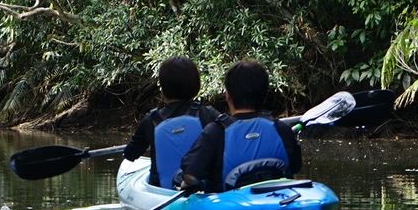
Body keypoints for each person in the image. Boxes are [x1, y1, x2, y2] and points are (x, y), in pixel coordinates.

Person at [180, 60, 301, 192]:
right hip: (276, 204)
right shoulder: (281, 129)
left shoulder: (215, 132)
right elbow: (295, 167)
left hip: (228, 208)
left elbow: (190, 175)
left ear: (228, 96)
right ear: (265, 94)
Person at [123, 56, 222, 188]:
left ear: (163, 89)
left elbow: (130, 155)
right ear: (196, 85)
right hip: (199, 188)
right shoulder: (208, 114)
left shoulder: (150, 121)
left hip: (160, 191)